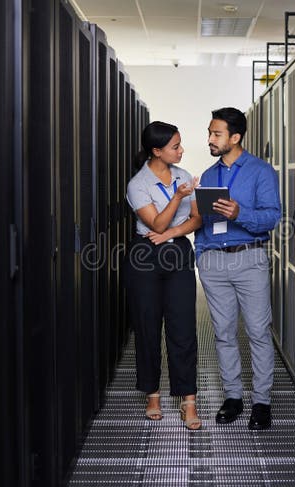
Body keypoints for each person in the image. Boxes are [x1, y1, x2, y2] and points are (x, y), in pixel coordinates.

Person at [194, 107, 281, 430]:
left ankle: (262, 402)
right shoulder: (208, 175)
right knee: (223, 334)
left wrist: (239, 213)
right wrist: (201, 254)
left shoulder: (261, 171)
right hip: (213, 262)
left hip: (249, 259)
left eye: (216, 134)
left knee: (258, 332)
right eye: (209, 133)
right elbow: (203, 221)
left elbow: (272, 217)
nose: (210, 140)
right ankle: (233, 397)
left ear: (235, 137)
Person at [123, 121, 202, 430]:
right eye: (175, 147)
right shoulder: (137, 183)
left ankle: (188, 400)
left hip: (179, 251)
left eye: (180, 145)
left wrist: (173, 231)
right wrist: (177, 199)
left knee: (183, 327)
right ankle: (152, 395)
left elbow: (196, 219)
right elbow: (154, 226)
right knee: (147, 326)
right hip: (145, 255)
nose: (181, 151)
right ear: (156, 151)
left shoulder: (183, 176)